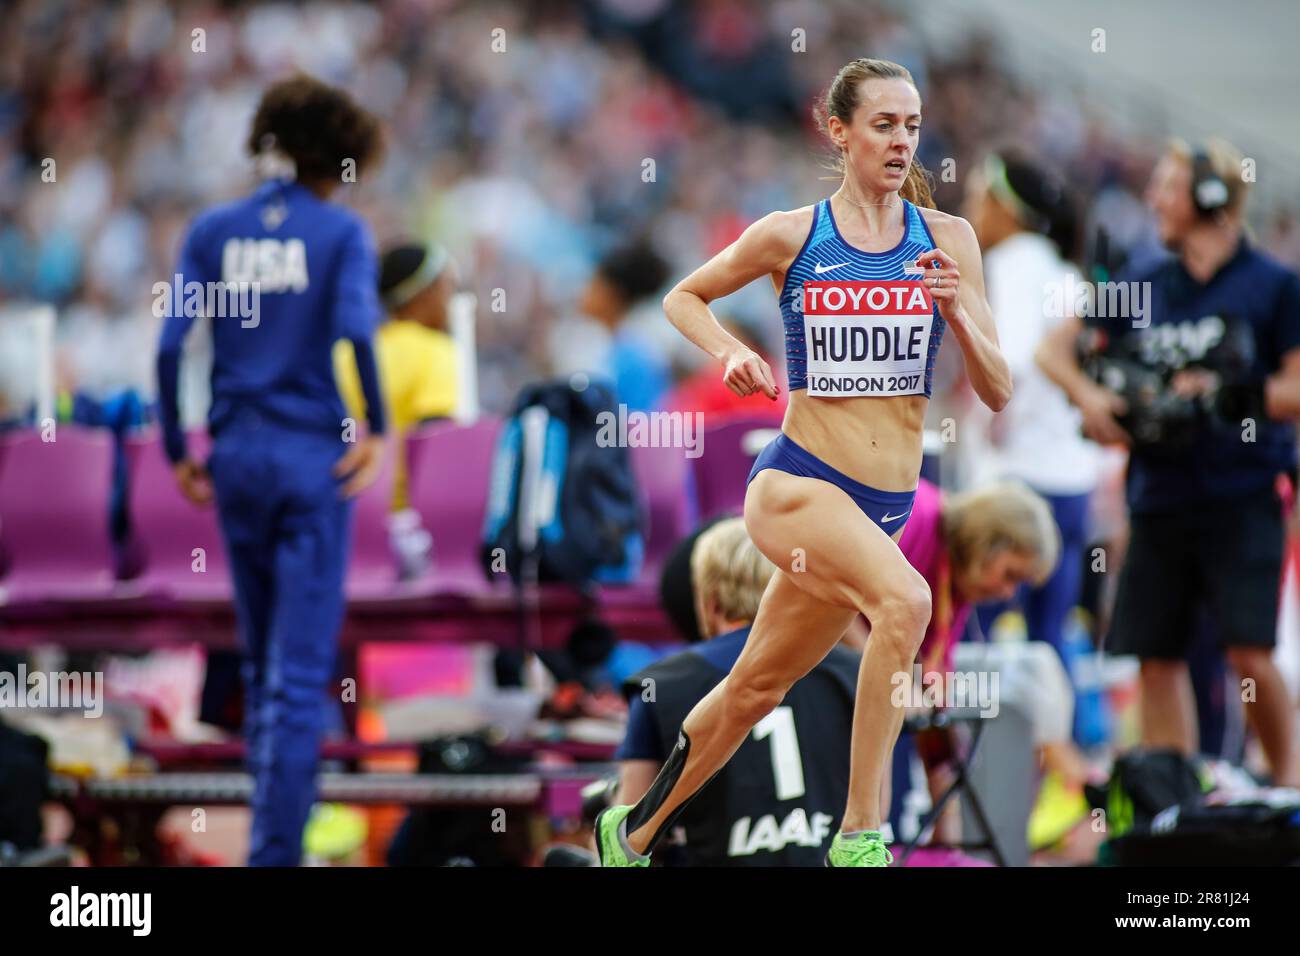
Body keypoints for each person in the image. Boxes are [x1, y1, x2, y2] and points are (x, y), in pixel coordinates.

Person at [594, 57, 1012, 868]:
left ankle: (630, 833)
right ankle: (859, 834)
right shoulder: (793, 234)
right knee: (906, 602)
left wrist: (958, 311)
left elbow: (997, 390)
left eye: (912, 126)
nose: (901, 141)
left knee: (755, 688)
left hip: (883, 507)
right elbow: (684, 296)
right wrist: (729, 352)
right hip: (798, 485)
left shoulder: (948, 240)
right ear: (840, 131)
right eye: (883, 125)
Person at [155, 74, 388, 865]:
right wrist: (377, 426)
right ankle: (275, 855)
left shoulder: (212, 229)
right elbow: (356, 331)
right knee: (299, 679)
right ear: (341, 157)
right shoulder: (341, 232)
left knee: (260, 670)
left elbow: (170, 345)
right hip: (309, 460)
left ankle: (268, 844)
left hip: (236, 460)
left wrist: (176, 449)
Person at [1038, 137, 1300, 786]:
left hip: (1244, 494)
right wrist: (1091, 397)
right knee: (1155, 655)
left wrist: (1226, 394)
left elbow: (1296, 386)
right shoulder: (1143, 283)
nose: (1153, 199)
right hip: (1158, 496)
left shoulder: (1274, 286)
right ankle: (1178, 797)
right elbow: (1053, 349)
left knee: (1249, 652)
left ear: (1210, 197)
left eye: (1168, 186)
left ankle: (1289, 787)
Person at [615, 518, 862, 866]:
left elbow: (626, 837)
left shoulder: (657, 685)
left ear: (710, 601)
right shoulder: (855, 670)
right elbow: (874, 811)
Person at [960, 149, 1100, 665]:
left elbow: (1011, 361)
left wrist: (990, 430)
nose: (970, 209)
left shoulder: (1012, 263)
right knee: (1049, 641)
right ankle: (1058, 723)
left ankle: (971, 726)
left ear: (1006, 207)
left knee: (974, 635)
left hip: (1015, 481)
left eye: (978, 195)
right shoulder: (1063, 269)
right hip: (1071, 481)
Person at [335, 241, 460, 512]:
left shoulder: (344, 352)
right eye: (447, 287)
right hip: (404, 510)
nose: (451, 300)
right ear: (425, 293)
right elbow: (435, 441)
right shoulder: (437, 351)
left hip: (346, 501)